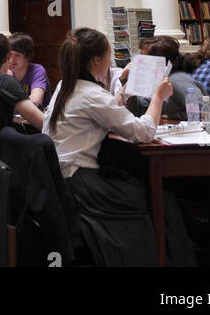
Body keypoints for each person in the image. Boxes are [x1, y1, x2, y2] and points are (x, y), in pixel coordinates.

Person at [44, 27, 196, 266]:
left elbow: (102, 112)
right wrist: (157, 96)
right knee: (164, 199)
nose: (110, 61)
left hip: (66, 180)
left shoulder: (65, 86)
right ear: (96, 60)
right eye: (108, 55)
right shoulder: (92, 95)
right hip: (86, 186)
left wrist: (124, 91)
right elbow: (144, 132)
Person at [7, 32, 50, 109]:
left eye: (17, 55)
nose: (11, 60)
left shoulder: (37, 70)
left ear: (27, 56)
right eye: (10, 55)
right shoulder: (6, 71)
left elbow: (36, 101)